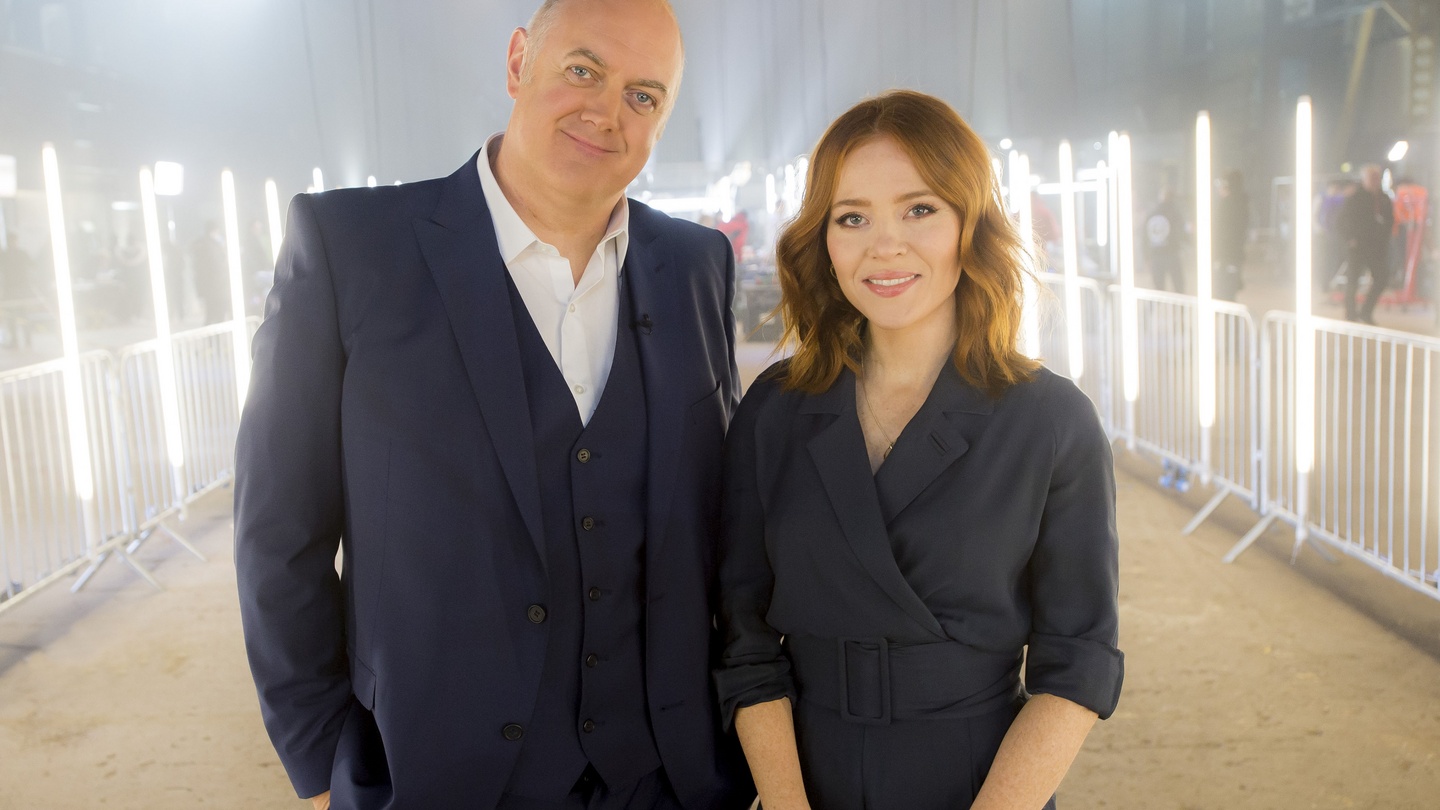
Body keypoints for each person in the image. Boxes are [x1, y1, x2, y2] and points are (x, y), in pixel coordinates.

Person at [234, 1, 752, 808]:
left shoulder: (696, 265)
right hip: (431, 771)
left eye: (642, 95)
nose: (606, 112)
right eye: (582, 70)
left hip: (664, 778)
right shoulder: (351, 248)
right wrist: (322, 757)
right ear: (518, 63)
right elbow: (278, 531)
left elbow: (721, 520)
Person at [715, 90, 1123, 810]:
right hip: (807, 780)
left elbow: (1077, 664)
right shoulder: (775, 411)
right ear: (823, 240)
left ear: (971, 223)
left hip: (984, 782)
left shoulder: (1051, 421)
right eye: (852, 217)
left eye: (919, 209)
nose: (884, 245)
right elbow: (744, 644)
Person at [1337, 163, 1394, 324]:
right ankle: (1350, 314)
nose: (1375, 181)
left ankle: (1366, 312)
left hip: (1377, 248)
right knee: (1353, 280)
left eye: (1377, 177)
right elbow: (1340, 222)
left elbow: (1390, 220)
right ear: (1364, 179)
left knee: (1382, 278)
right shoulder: (1355, 198)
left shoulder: (1384, 198)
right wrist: (1350, 239)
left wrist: (1385, 237)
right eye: (1371, 178)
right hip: (1358, 247)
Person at [1143, 185, 1187, 293]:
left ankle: (1155, 305)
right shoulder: (1174, 213)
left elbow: (1144, 236)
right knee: (1179, 287)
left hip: (1156, 254)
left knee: (1159, 289)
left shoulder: (1152, 213)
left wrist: (1146, 256)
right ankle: (1179, 304)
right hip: (1172, 253)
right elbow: (1181, 230)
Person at [1213, 170, 1249, 301]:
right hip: (1234, 256)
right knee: (1229, 294)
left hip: (1224, 257)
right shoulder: (1242, 203)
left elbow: (1220, 231)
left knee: (1223, 295)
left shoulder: (1226, 205)